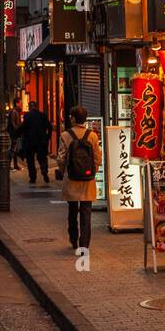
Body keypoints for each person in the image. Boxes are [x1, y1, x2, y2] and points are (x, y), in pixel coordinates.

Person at [56, 107, 102, 252]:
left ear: (73, 118)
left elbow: (61, 159)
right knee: (86, 211)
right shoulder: (92, 136)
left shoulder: (65, 135)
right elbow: (97, 158)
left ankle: (74, 239)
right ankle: (84, 244)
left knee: (72, 209)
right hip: (88, 180)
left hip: (72, 179)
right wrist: (92, 172)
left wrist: (64, 172)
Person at [21, 101, 53, 184]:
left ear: (29, 107)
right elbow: (49, 127)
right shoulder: (43, 115)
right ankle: (44, 169)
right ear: (36, 106)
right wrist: (48, 137)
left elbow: (23, 127)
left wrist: (16, 134)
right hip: (42, 140)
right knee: (42, 157)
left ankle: (33, 177)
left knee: (30, 160)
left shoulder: (27, 116)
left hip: (30, 141)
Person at [7, 101, 23, 170]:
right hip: (14, 133)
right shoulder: (14, 112)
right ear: (17, 103)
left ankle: (15, 165)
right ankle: (9, 164)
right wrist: (17, 131)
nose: (21, 105)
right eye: (20, 103)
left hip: (14, 133)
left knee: (15, 149)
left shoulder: (15, 111)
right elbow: (13, 123)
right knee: (13, 149)